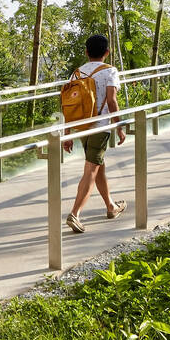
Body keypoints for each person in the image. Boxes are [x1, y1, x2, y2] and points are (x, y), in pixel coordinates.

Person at [63, 33, 127, 233]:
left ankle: (111, 206)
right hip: (100, 126)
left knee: (98, 166)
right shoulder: (110, 71)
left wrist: (67, 132)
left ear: (86, 52)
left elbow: (68, 104)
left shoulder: (77, 73)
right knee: (91, 169)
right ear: (107, 52)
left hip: (82, 126)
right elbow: (112, 101)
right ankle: (75, 214)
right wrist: (119, 126)